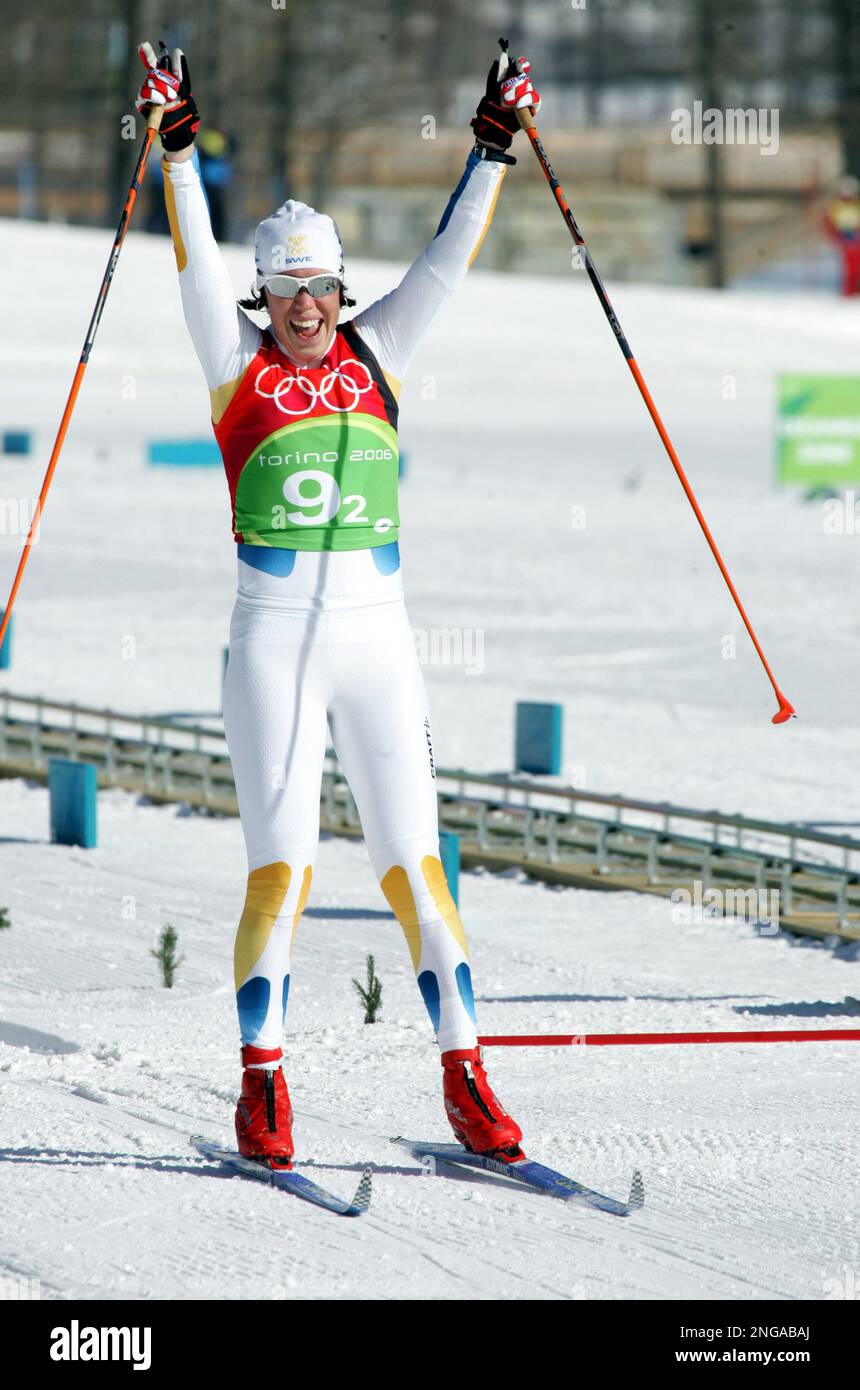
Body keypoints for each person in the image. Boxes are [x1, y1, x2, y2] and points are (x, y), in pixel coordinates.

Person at [134, 41, 541, 1169]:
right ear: (261, 292)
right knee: (286, 864)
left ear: (340, 289)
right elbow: (189, 267)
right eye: (285, 288)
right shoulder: (234, 364)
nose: (306, 308)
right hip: (271, 648)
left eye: (321, 286)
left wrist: (490, 144)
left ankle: (464, 1072)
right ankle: (262, 1085)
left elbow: (450, 257)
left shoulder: (379, 350)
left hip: (377, 643)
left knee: (415, 859)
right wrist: (173, 149)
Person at [823, 174, 860, 297]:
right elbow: (829, 223)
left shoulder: (856, 205)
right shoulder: (836, 206)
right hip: (845, 238)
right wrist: (834, 236)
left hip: (856, 238)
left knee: (856, 266)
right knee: (850, 266)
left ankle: (855, 289)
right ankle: (849, 290)